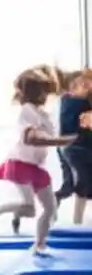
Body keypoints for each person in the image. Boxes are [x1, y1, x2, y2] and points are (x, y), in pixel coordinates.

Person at [0, 67, 72, 256]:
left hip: (34, 166)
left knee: (47, 207)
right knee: (31, 207)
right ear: (35, 93)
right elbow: (31, 138)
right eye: (43, 91)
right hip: (20, 164)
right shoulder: (27, 112)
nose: (46, 95)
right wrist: (64, 141)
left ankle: (39, 244)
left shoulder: (40, 112)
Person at [55, 69, 91, 226]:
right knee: (82, 184)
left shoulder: (69, 101)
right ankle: (77, 222)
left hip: (69, 148)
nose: (88, 87)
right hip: (76, 149)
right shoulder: (77, 103)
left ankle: (55, 202)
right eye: (83, 84)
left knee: (70, 186)